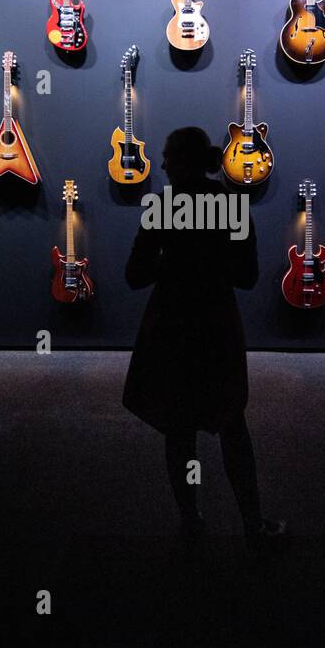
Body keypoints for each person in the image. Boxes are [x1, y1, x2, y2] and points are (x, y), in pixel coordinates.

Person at [122, 127, 285, 548]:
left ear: (183, 162)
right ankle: (252, 526)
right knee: (232, 424)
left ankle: (192, 525)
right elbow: (247, 277)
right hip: (216, 324)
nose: (160, 165)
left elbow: (134, 276)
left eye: (167, 158)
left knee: (179, 430)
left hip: (172, 324)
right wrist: (209, 265)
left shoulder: (162, 205)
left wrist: (172, 263)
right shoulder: (232, 204)